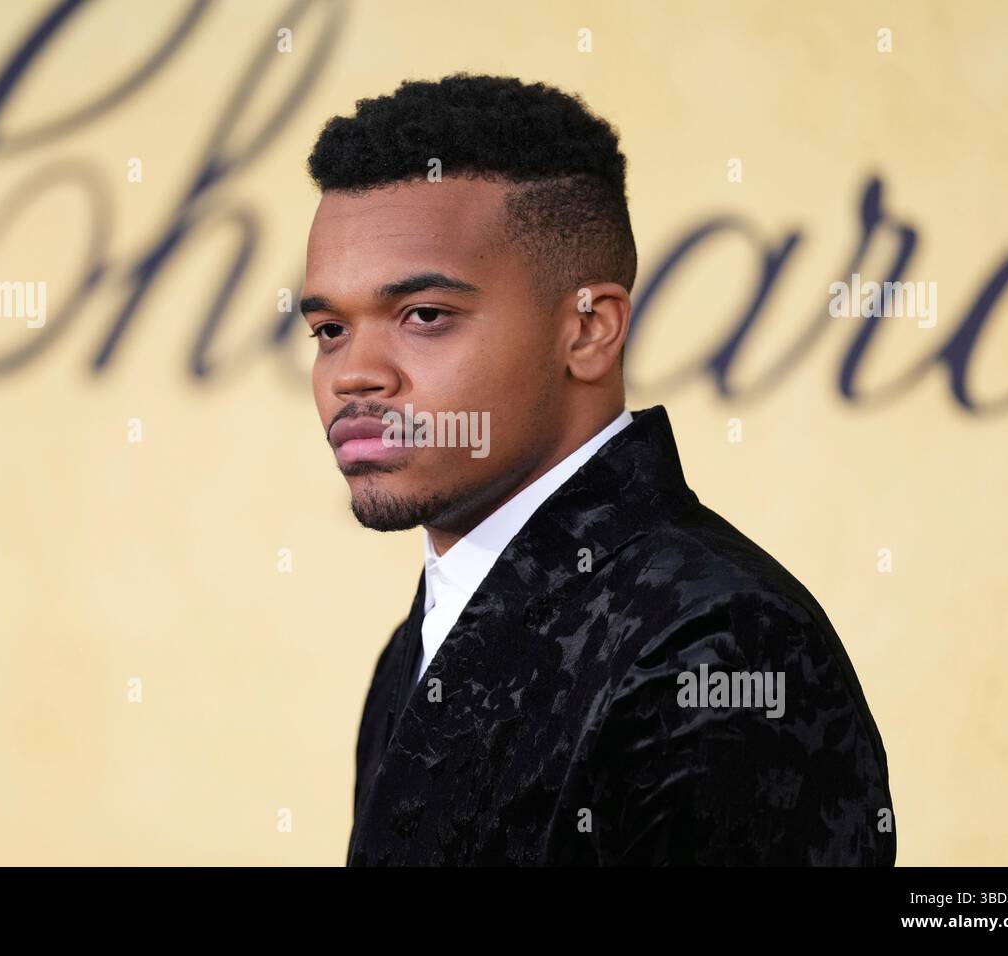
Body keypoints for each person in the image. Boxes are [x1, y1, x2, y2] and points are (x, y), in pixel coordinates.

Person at [301, 72, 895, 865]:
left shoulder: (725, 646)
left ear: (589, 329)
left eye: (425, 316)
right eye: (330, 330)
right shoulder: (422, 642)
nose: (354, 375)